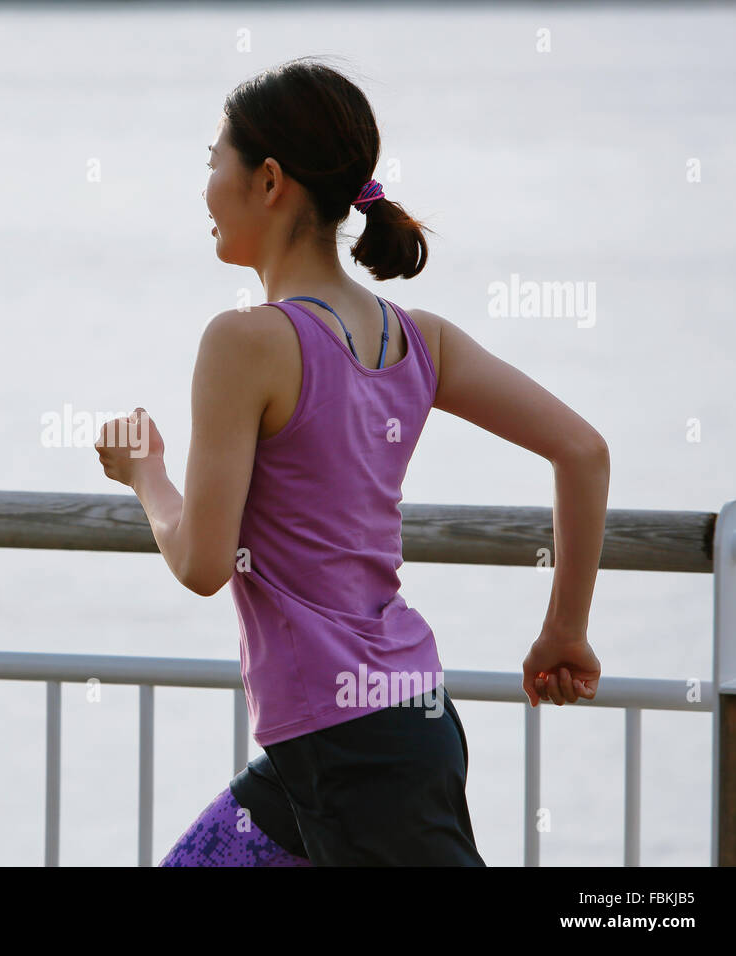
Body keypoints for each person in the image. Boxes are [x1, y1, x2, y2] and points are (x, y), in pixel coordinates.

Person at [93, 57, 608, 866]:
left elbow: (200, 561)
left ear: (268, 180)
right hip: (386, 727)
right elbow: (583, 451)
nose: (204, 189)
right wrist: (563, 633)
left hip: (352, 755)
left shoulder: (245, 341)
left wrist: (146, 474)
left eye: (211, 163)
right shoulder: (417, 337)